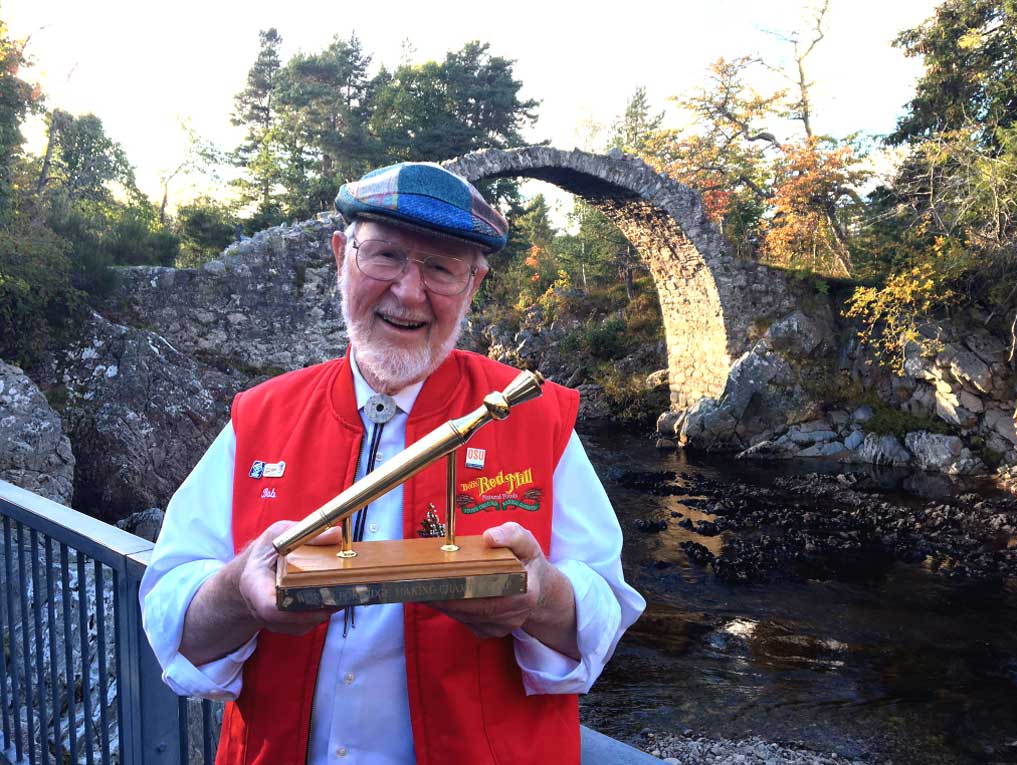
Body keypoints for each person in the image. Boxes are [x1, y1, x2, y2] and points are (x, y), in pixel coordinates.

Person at [140, 162, 645, 765]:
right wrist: (239, 589)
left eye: (441, 267)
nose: (409, 291)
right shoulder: (260, 415)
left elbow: (601, 623)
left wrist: (538, 598)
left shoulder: (539, 418)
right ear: (340, 256)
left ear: (473, 285)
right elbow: (174, 621)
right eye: (386, 256)